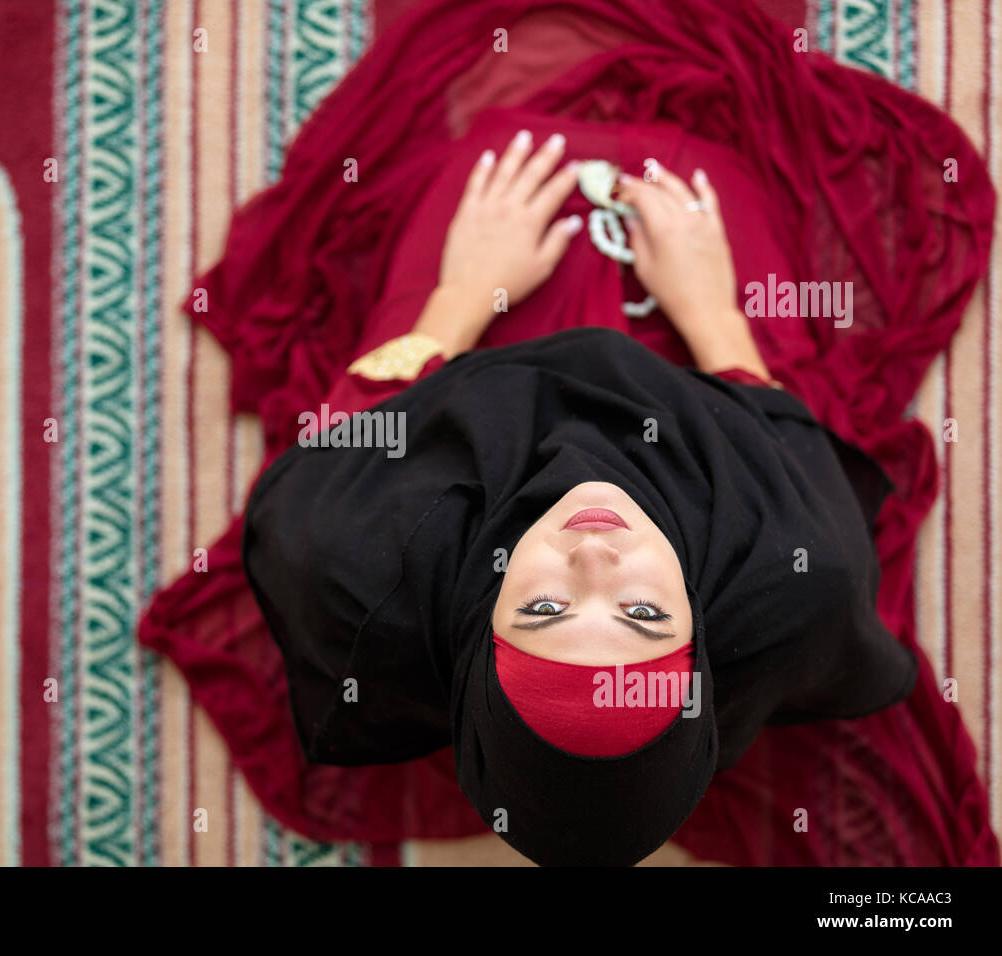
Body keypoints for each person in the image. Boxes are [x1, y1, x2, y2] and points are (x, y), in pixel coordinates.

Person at [140, 0, 998, 865]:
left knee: (499, 157)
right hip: (703, 410)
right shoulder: (795, 568)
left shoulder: (357, 561)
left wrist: (460, 301)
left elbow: (334, 444)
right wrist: (712, 316)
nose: (596, 558)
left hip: (465, 384)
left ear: (480, 630)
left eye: (546, 608)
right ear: (704, 636)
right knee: (698, 176)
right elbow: (785, 433)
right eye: (643, 612)